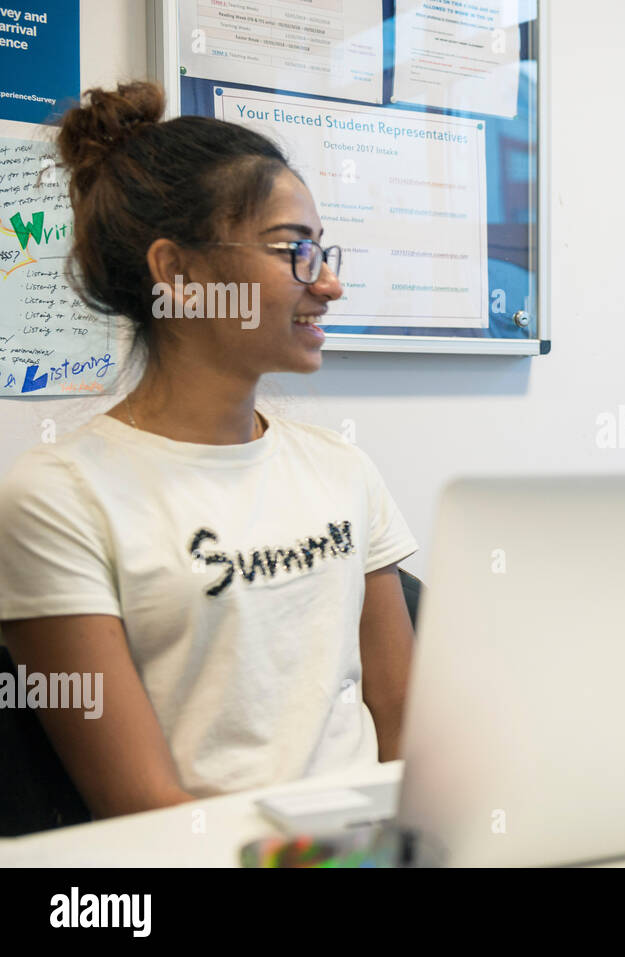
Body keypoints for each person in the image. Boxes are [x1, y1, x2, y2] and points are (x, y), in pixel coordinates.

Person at [0, 82, 418, 819]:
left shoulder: (342, 469)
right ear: (180, 274)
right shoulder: (56, 497)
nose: (329, 284)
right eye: (295, 251)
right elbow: (146, 807)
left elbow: (406, 721)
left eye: (322, 251)